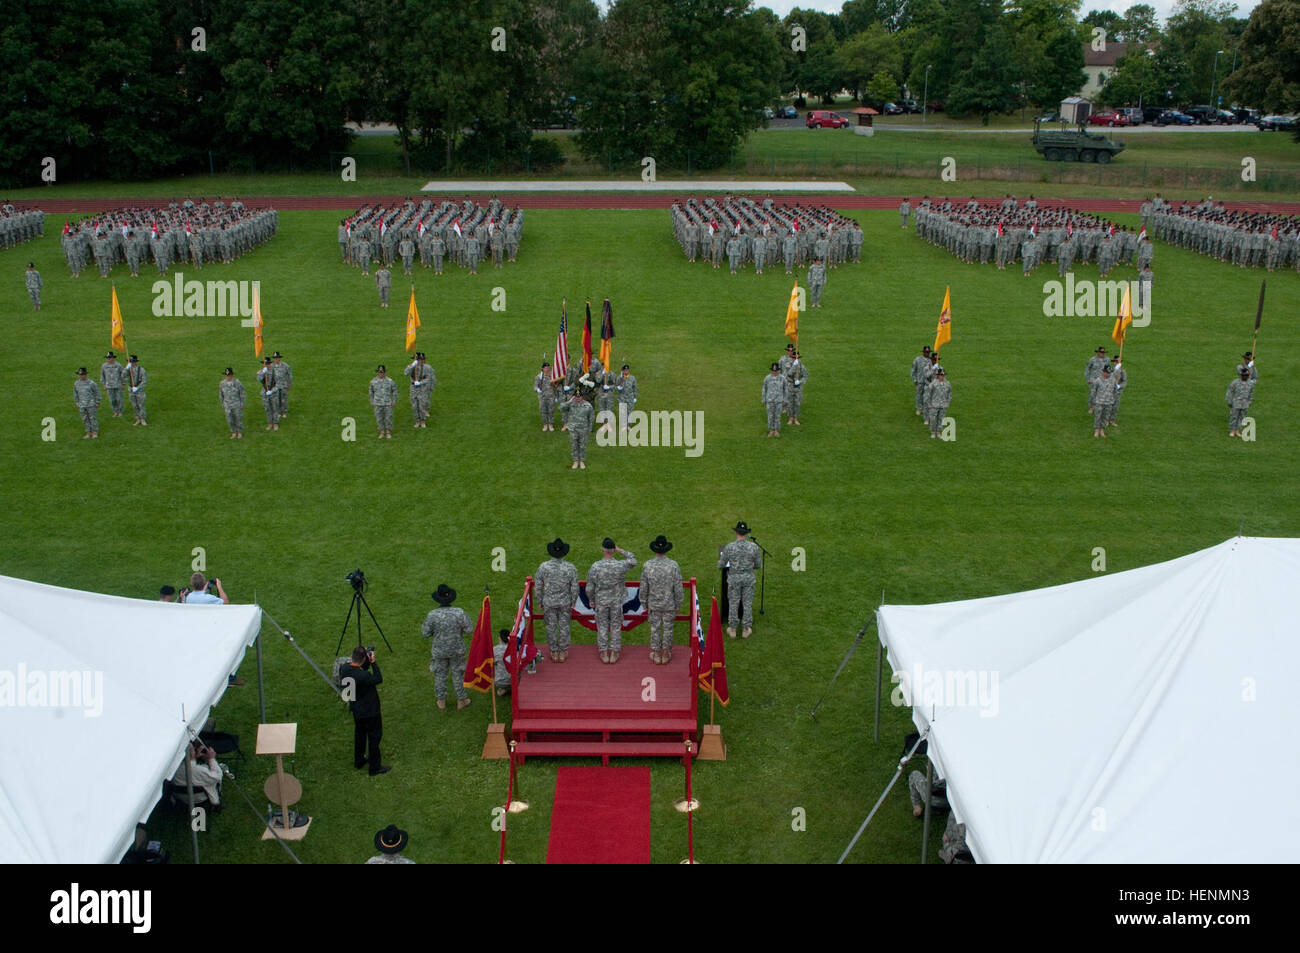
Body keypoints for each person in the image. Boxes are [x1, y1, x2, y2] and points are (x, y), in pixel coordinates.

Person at [423, 584, 473, 709]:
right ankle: (461, 700)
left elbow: (425, 633)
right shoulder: (459, 612)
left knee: (440, 674)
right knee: (458, 673)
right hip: (457, 649)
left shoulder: (432, 615)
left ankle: (441, 701)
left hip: (439, 650)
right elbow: (469, 629)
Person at [587, 539, 637, 663]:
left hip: (601, 601)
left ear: (602, 549)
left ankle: (604, 653)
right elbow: (634, 560)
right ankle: (614, 653)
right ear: (613, 550)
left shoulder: (595, 566)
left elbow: (589, 587)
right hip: (616, 601)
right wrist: (621, 550)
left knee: (602, 626)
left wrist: (591, 599)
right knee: (615, 626)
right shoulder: (621, 565)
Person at [343, 646, 389, 774]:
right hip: (370, 711)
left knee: (360, 736)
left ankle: (359, 760)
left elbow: (359, 669)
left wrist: (365, 660)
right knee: (374, 738)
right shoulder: (363, 676)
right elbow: (378, 678)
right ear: (364, 659)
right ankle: (375, 767)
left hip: (356, 709)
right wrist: (373, 662)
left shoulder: (345, 668)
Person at [535, 538, 580, 661]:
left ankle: (554, 651)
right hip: (565, 602)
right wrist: (573, 601)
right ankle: (563, 651)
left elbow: (538, 586)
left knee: (551, 627)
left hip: (549, 602)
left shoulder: (543, 567)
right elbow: (575, 587)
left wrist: (539, 601)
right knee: (564, 626)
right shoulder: (571, 568)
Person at [641, 535, 684, 664]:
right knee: (668, 628)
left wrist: (644, 602)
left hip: (653, 604)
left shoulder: (647, 565)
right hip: (669, 603)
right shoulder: (673, 565)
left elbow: (643, 587)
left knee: (655, 628)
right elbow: (678, 587)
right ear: (666, 549)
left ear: (655, 550)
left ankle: (656, 653)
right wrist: (678, 603)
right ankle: (665, 653)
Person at [718, 521, 761, 638]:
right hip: (748, 579)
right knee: (747, 603)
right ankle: (746, 629)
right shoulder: (753, 547)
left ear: (736, 532)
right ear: (746, 533)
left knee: (733, 603)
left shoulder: (729, 547)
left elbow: (721, 565)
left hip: (734, 579)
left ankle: (732, 629)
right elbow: (758, 565)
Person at [170, 740, 223, 810]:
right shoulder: (198, 770)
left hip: (181, 798)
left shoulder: (172, 768)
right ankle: (215, 803)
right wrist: (211, 759)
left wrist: (194, 757)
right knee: (210, 780)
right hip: (200, 800)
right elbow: (218, 776)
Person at [563, 388, 594, 469]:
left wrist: (589, 429)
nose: (578, 398)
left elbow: (591, 418)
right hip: (573, 429)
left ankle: (582, 461)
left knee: (582, 446)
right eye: (576, 397)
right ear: (574, 397)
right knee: (574, 446)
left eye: (579, 397)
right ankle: (576, 461)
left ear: (582, 397)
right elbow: (561, 408)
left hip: (583, 429)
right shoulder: (571, 404)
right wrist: (569, 401)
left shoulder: (588, 406)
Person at [404, 351, 435, 429]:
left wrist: (421, 382)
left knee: (422, 405)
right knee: (415, 405)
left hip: (422, 388)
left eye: (420, 360)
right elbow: (406, 373)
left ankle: (423, 421)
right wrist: (412, 366)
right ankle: (417, 421)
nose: (419, 361)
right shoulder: (411, 367)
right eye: (418, 360)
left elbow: (429, 378)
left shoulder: (426, 368)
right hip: (413, 388)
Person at [369, 364, 397, 439]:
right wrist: (371, 401)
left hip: (388, 403)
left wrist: (394, 401)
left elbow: (394, 391)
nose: (381, 374)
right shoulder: (373, 381)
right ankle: (382, 432)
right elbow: (371, 392)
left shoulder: (390, 381)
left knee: (388, 417)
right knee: (379, 418)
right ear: (378, 372)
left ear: (385, 373)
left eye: (382, 372)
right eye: (380, 372)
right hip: (377, 403)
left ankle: (388, 432)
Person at [923, 366, 951, 439]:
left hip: (943, 405)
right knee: (933, 419)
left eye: (943, 375)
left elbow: (949, 394)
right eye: (941, 375)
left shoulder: (947, 384)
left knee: (941, 419)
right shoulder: (933, 384)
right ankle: (933, 432)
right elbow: (927, 395)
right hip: (934, 405)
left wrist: (948, 403)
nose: (942, 376)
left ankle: (939, 432)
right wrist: (929, 404)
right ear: (938, 376)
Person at [1226, 367, 1255, 437]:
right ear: (1241, 375)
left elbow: (1251, 394)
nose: (1245, 376)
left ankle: (1238, 431)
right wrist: (1229, 401)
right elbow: (1229, 392)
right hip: (1236, 403)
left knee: (1242, 417)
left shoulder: (1250, 384)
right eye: (1243, 375)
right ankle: (1232, 431)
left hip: (1245, 404)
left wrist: (1249, 402)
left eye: (1246, 375)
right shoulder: (1235, 382)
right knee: (1234, 417)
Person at [1090, 365, 1117, 438]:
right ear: (1103, 372)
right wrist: (1094, 401)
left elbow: (1115, 391)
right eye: (1106, 372)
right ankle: (1096, 430)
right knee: (1098, 416)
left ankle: (1102, 430)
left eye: (1109, 372)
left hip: (1109, 402)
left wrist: (1113, 399)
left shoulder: (1113, 380)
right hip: (1099, 402)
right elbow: (1093, 391)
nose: (1108, 374)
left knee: (1105, 417)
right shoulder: (1098, 380)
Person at [74, 367, 101, 439]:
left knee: (92, 418)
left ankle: (94, 432)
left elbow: (97, 392)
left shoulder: (91, 383)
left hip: (91, 404)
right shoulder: (77, 383)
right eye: (80, 375)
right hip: (82, 405)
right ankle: (88, 432)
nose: (81, 376)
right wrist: (77, 403)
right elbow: (76, 394)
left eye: (82, 374)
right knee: (85, 419)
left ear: (86, 375)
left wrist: (97, 402)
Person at [219, 367, 245, 439]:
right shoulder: (222, 383)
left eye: (229, 375)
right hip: (227, 404)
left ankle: (239, 432)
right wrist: (222, 404)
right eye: (227, 375)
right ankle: (233, 432)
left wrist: (242, 403)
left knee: (238, 418)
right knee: (229, 419)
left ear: (232, 375)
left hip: (236, 403)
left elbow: (242, 393)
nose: (228, 377)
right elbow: (221, 394)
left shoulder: (237, 382)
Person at [100, 351, 126, 418]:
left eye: (110, 358)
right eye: (108, 358)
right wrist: (104, 384)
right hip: (109, 386)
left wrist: (123, 384)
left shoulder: (118, 365)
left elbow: (123, 375)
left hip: (118, 385)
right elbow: (102, 376)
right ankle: (115, 411)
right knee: (112, 400)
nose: (109, 359)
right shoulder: (104, 366)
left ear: (113, 358)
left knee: (119, 399)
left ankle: (120, 412)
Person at [785, 350, 807, 426]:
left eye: (797, 358)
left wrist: (800, 382)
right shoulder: (788, 365)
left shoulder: (802, 366)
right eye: (794, 358)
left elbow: (805, 376)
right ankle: (790, 418)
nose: (795, 359)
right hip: (790, 386)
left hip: (798, 388)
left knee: (797, 403)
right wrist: (794, 366)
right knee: (790, 403)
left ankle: (796, 418)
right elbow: (788, 374)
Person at [762, 362, 785, 437]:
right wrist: (764, 399)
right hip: (770, 400)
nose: (774, 372)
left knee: (777, 416)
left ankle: (776, 430)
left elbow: (786, 390)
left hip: (779, 401)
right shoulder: (767, 378)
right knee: (770, 416)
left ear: (778, 370)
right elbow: (764, 389)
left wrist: (785, 400)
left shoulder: (782, 378)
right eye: (773, 371)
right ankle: (771, 430)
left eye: (776, 371)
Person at [257, 357, 279, 431]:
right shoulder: (262, 371)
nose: (266, 365)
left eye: (268, 364)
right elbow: (258, 379)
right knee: (267, 408)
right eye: (265, 364)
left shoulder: (275, 372)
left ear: (270, 364)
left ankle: (275, 423)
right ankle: (270, 423)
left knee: (274, 408)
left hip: (273, 392)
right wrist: (263, 373)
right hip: (265, 393)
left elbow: (278, 384)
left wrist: (272, 391)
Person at [910, 345, 933, 417]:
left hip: (928, 382)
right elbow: (913, 370)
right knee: (919, 395)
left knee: (926, 396)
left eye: (928, 352)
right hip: (919, 381)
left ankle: (924, 409)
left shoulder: (931, 360)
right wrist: (914, 379)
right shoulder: (918, 359)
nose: (927, 353)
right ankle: (919, 409)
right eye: (926, 352)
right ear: (923, 352)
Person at [534, 361, 557, 432]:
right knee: (543, 411)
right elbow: (535, 386)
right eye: (545, 368)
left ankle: (550, 424)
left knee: (551, 410)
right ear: (542, 369)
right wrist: (537, 389)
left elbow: (556, 386)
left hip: (551, 396)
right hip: (542, 397)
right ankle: (545, 424)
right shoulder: (539, 377)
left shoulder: (552, 376)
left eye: (548, 367)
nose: (547, 369)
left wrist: (556, 396)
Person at [126, 354, 148, 426]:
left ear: (136, 362)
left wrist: (138, 388)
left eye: (133, 362)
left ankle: (142, 419)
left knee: (141, 405)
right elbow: (122, 377)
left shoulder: (141, 370)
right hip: (131, 390)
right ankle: (138, 418)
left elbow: (144, 381)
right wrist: (126, 369)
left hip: (139, 391)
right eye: (131, 362)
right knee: (134, 405)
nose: (132, 363)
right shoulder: (128, 370)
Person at [1084, 346, 1107, 412]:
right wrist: (1087, 378)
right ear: (1098, 352)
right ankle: (1092, 407)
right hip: (1093, 380)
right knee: (1093, 394)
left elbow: (1109, 370)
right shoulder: (1092, 360)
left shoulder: (1107, 360)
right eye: (1102, 352)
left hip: (1103, 380)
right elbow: (1087, 369)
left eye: (1104, 352)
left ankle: (1100, 407)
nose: (1103, 354)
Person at [270, 351, 292, 420]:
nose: (276, 359)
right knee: (276, 400)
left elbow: (290, 375)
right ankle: (278, 412)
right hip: (275, 386)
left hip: (283, 385)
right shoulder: (271, 366)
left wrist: (289, 383)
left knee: (283, 399)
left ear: (279, 358)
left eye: (277, 358)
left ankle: (284, 412)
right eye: (275, 358)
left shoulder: (285, 365)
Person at [616, 364, 637, 430]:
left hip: (630, 397)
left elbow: (635, 388)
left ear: (629, 370)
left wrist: (635, 397)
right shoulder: (620, 378)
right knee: (623, 411)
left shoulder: (632, 378)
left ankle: (628, 425)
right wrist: (618, 388)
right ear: (622, 371)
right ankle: (623, 425)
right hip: (622, 397)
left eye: (627, 370)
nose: (626, 371)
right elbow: (616, 386)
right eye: (625, 370)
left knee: (630, 411)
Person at [492, 630, 512, 696]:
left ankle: (503, 688)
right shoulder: (515, 648)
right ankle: (511, 687)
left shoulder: (495, 650)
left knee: (493, 664)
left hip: (500, 681)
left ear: (500, 638)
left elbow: (492, 664)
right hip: (516, 680)